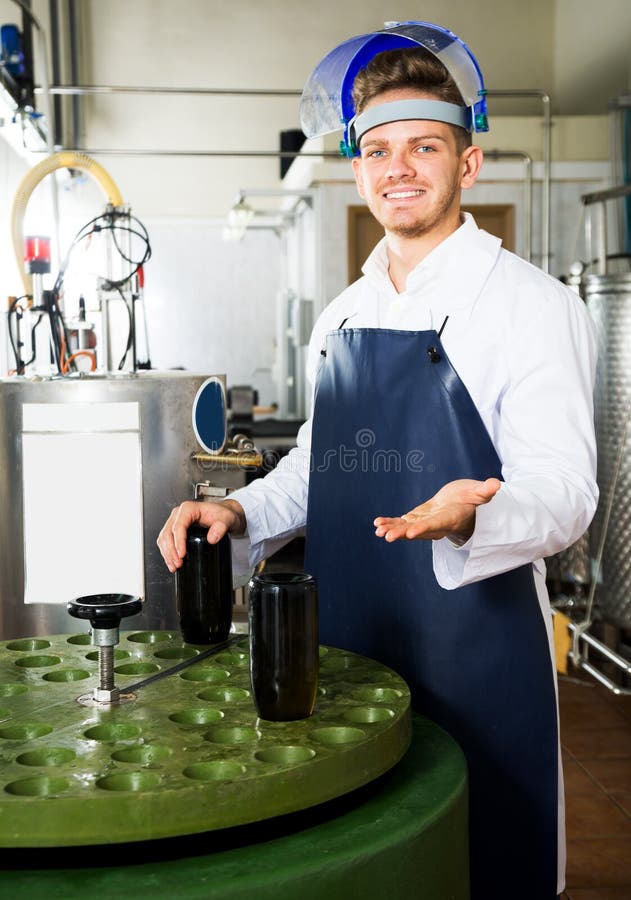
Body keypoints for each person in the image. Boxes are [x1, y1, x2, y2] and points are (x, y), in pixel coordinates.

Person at [158, 21, 598, 900]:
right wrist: (241, 512)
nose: (398, 168)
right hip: (352, 643)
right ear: (358, 168)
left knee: (484, 858)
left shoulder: (530, 306)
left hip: (476, 647)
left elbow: (565, 493)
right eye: (379, 149)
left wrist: (472, 513)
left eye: (424, 146)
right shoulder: (342, 317)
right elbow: (318, 469)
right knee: (365, 856)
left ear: (466, 165)